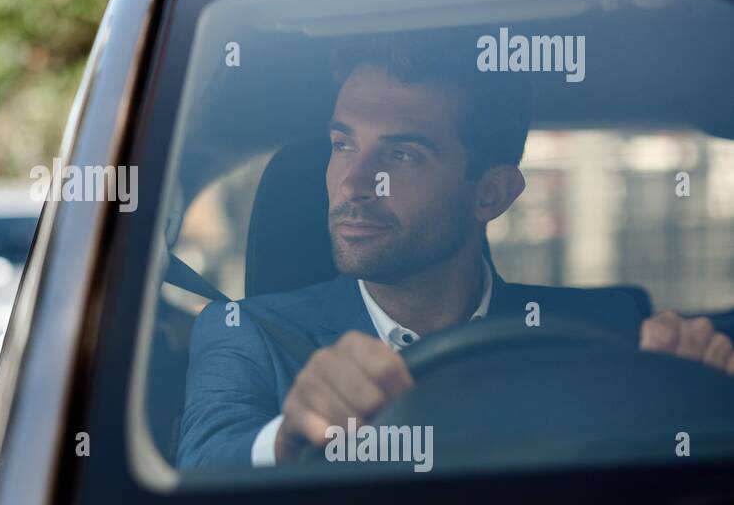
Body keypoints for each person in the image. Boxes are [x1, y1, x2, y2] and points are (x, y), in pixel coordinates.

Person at [177, 48, 734, 469]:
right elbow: (203, 462)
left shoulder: (607, 331)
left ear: (491, 193)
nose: (353, 182)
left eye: (400, 154)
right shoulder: (246, 332)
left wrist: (701, 397)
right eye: (343, 144)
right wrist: (289, 434)